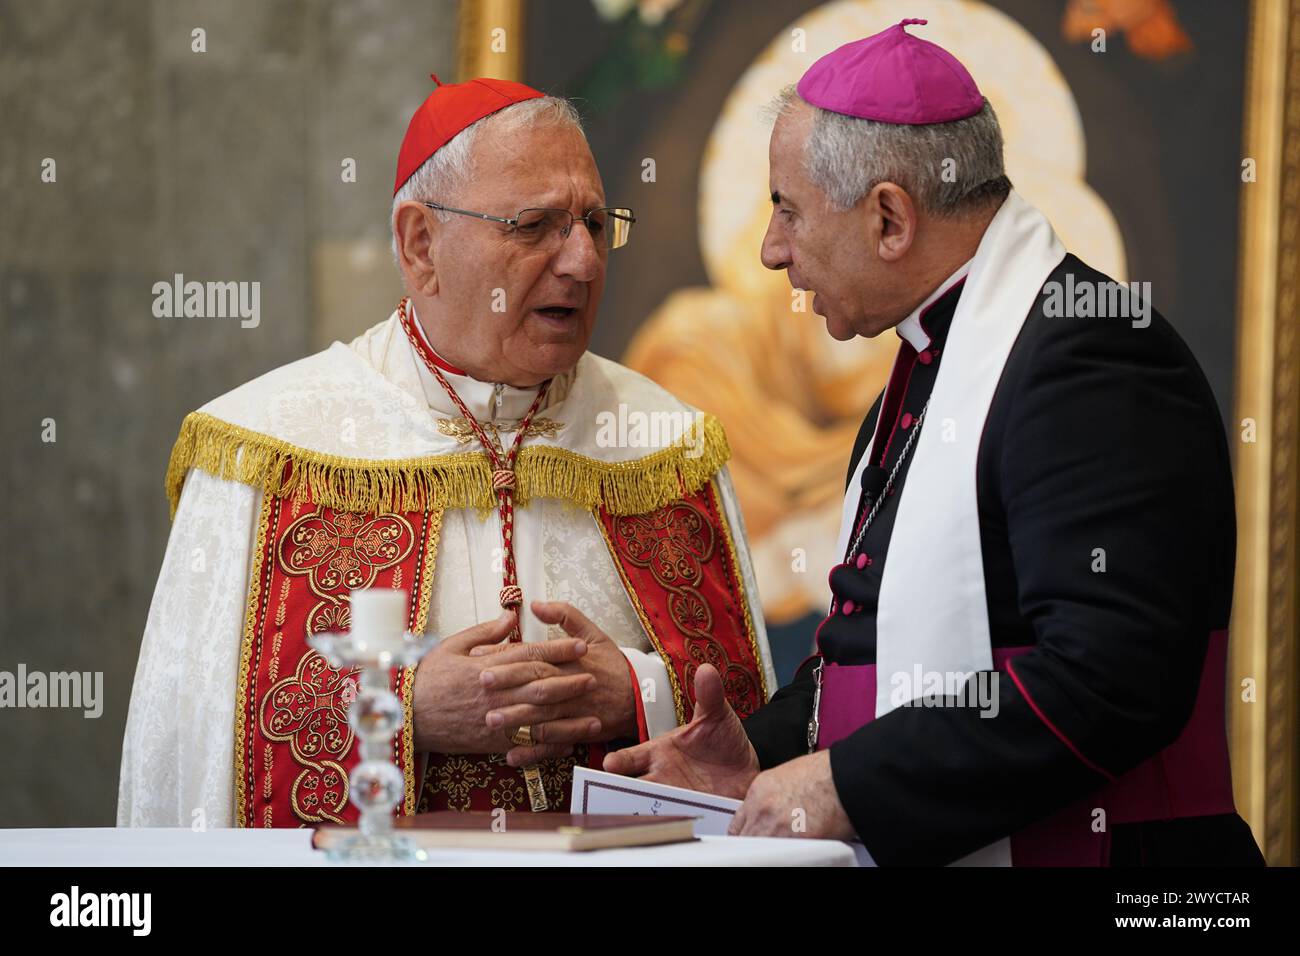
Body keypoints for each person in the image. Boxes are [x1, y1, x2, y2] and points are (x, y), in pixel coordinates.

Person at [604, 20, 1263, 866]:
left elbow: (1112, 677)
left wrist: (847, 785)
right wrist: (761, 754)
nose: (772, 252)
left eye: (788, 211)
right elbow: (867, 649)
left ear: (889, 218)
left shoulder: (1092, 359)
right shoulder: (926, 371)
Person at [118, 75, 774, 827]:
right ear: (420, 244)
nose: (583, 263)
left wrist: (637, 691)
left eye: (595, 223)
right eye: (536, 226)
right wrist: (397, 707)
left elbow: (753, 728)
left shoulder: (667, 447)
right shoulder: (265, 449)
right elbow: (189, 742)